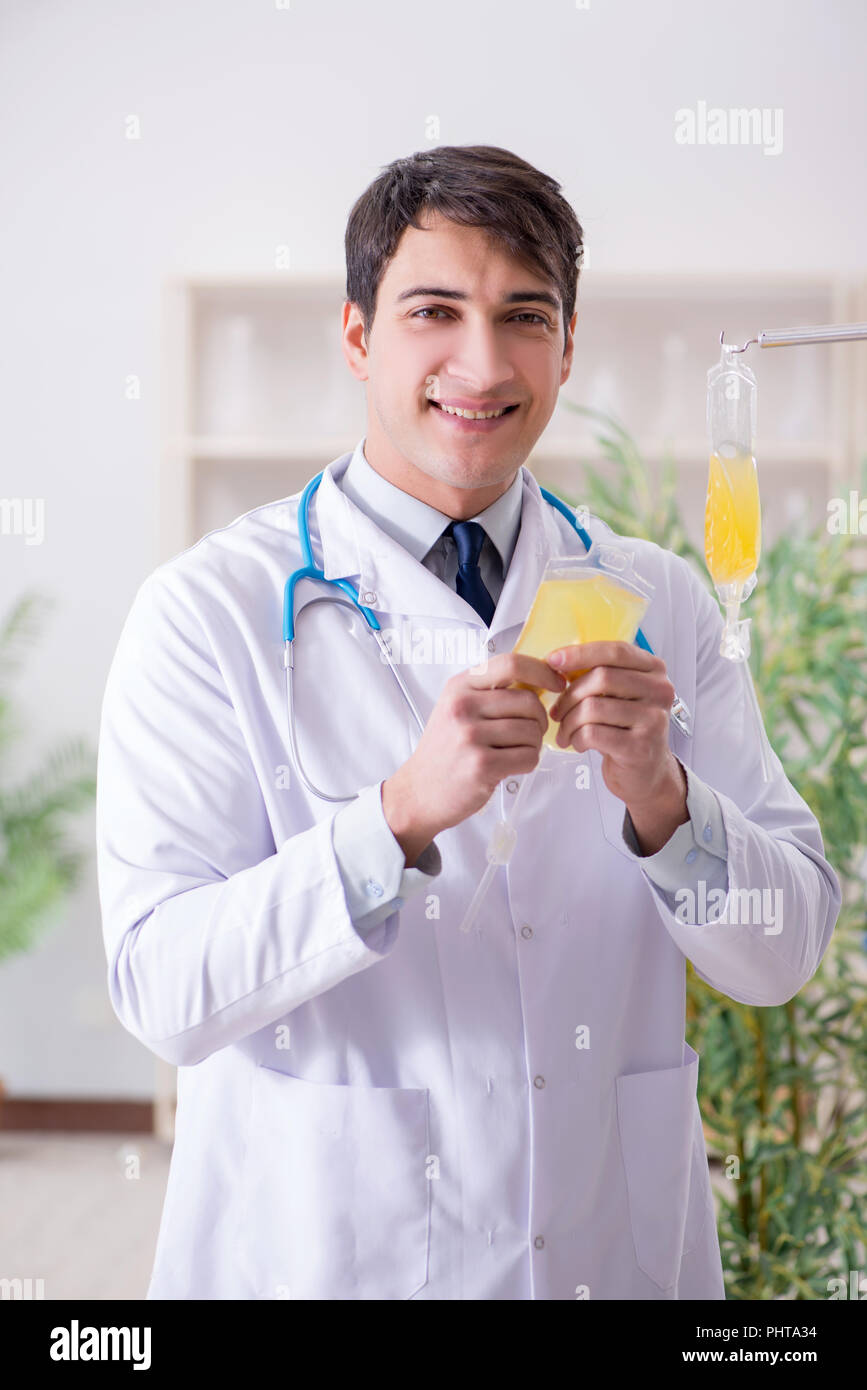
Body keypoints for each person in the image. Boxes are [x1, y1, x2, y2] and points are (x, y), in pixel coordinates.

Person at [96, 145, 841, 1300]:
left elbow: (782, 950)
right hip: (325, 1262)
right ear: (357, 337)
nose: (482, 364)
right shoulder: (209, 612)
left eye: (524, 316)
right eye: (434, 312)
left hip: (607, 1255)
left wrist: (666, 801)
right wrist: (392, 819)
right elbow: (160, 989)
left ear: (567, 348)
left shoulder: (663, 601)